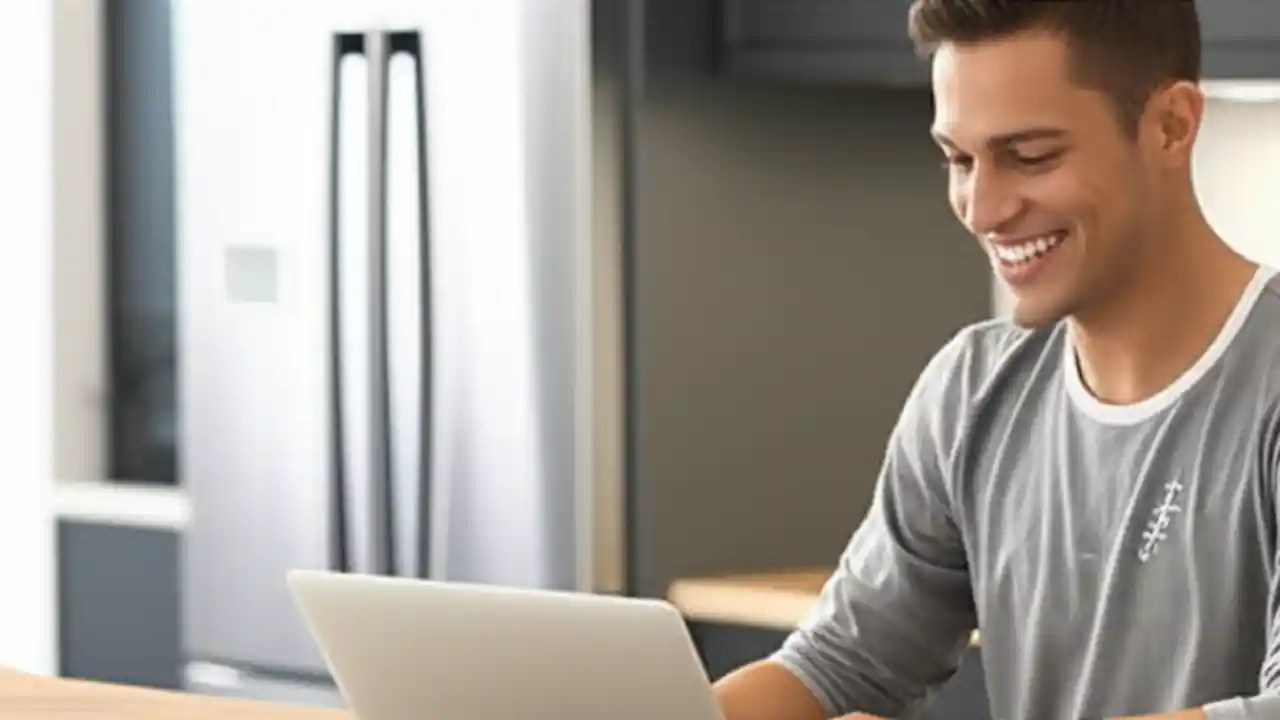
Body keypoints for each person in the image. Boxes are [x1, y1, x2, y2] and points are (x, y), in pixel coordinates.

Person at [710, 1, 1280, 719]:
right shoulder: (971, 393)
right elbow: (839, 665)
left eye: (1030, 156)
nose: (982, 207)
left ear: (1171, 126)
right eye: (958, 159)